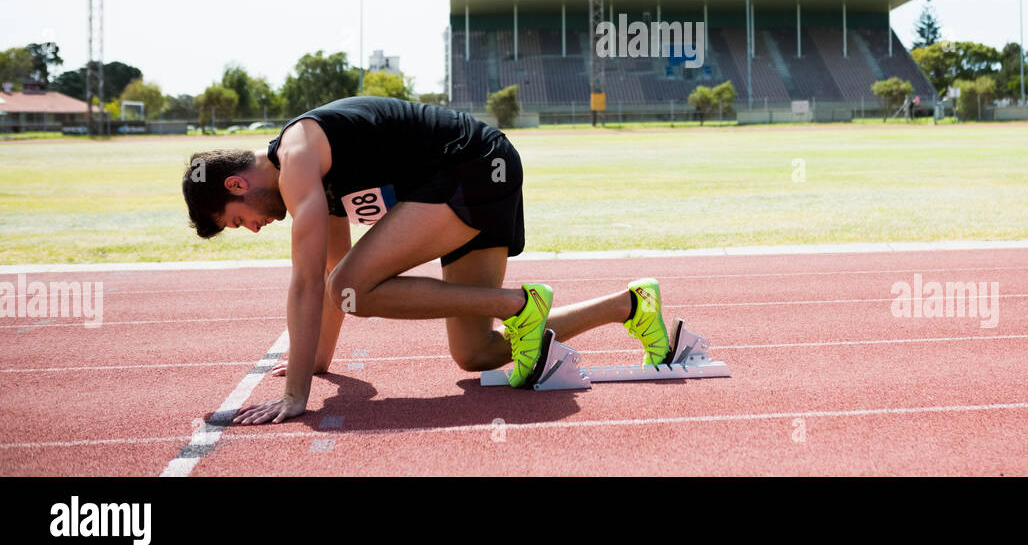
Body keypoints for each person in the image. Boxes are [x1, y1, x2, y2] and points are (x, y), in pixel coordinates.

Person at [181, 96, 670, 424]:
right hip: (468, 181)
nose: (253, 227)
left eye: (237, 220)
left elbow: (310, 283)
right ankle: (630, 306)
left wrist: (295, 396)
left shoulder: (299, 155)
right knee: (475, 354)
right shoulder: (316, 184)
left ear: (237, 184)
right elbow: (333, 270)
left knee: (351, 289)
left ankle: (516, 304)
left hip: (474, 167)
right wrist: (316, 364)